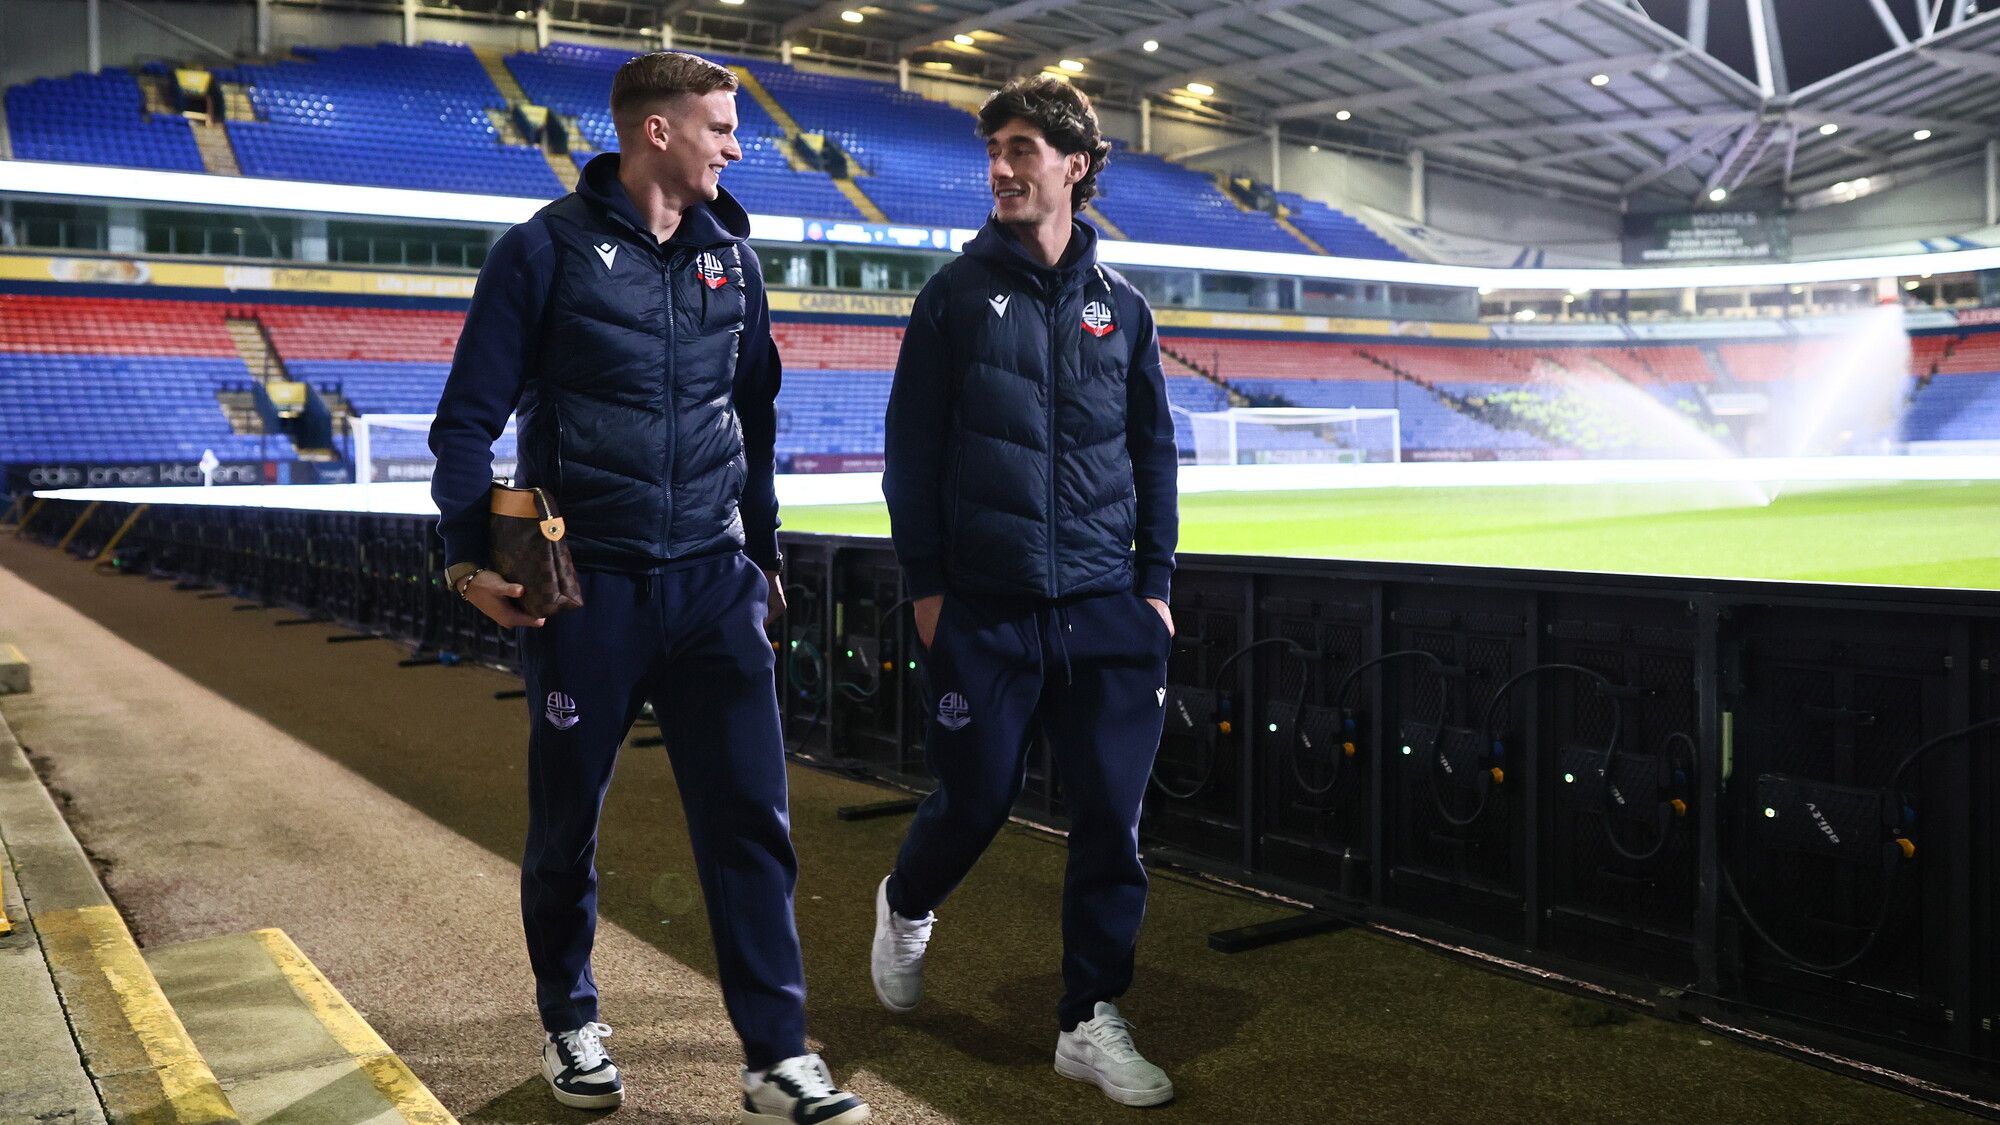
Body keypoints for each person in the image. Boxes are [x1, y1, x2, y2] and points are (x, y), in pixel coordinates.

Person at [428, 51, 866, 1125]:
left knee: (751, 825)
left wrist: (760, 557)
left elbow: (752, 428)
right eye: (721, 127)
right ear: (657, 132)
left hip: (713, 583)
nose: (735, 145)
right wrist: (465, 557)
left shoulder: (735, 261)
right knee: (566, 820)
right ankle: (568, 1021)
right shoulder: (541, 252)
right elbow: (465, 424)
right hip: (590, 591)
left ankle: (774, 1056)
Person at [872, 74, 1181, 1108]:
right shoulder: (952, 298)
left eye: (1022, 151)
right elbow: (907, 456)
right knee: (975, 800)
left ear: (1074, 166)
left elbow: (1153, 455)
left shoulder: (1122, 309)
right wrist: (928, 593)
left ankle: (1087, 1019)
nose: (1002, 169)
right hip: (984, 610)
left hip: (1104, 608)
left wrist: (1154, 588)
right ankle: (908, 902)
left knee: (1110, 824)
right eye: (994, 151)